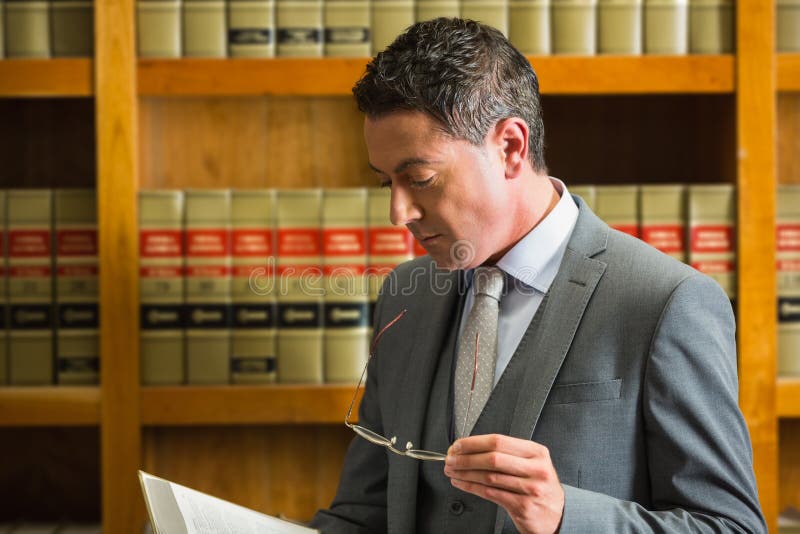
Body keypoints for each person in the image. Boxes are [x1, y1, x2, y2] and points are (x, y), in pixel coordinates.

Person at [310, 17, 766, 534]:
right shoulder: (404, 296)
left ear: (510, 147)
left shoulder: (667, 302)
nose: (398, 212)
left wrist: (566, 516)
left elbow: (732, 527)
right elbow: (362, 515)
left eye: (420, 179)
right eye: (385, 183)